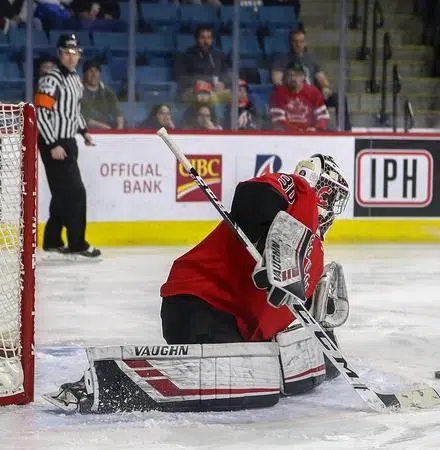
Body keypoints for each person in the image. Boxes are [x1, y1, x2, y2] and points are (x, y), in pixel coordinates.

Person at [44, 155, 352, 413]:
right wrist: (268, 239)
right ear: (319, 187)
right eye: (333, 195)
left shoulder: (313, 250)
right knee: (246, 382)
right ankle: (93, 385)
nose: (333, 207)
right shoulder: (296, 192)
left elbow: (284, 319)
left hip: (232, 322)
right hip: (196, 303)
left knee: (265, 382)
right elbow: (250, 195)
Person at [35, 34, 100, 258]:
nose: (72, 57)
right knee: (75, 193)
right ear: (60, 53)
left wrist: (83, 131)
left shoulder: (74, 79)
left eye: (75, 53)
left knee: (63, 193)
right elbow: (41, 113)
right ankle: (77, 243)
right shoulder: (50, 79)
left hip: (68, 141)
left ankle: (52, 240)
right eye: (67, 53)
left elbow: (73, 111)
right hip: (54, 142)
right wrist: (52, 143)